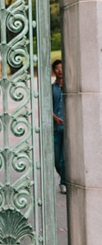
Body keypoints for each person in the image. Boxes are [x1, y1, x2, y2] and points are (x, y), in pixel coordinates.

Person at [52, 59, 66, 194]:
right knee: (57, 159)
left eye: (62, 68)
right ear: (54, 71)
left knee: (65, 157)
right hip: (56, 129)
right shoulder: (52, 89)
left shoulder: (70, 87)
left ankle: (64, 182)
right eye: (57, 68)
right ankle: (63, 177)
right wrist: (55, 118)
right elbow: (47, 107)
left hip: (69, 129)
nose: (60, 70)